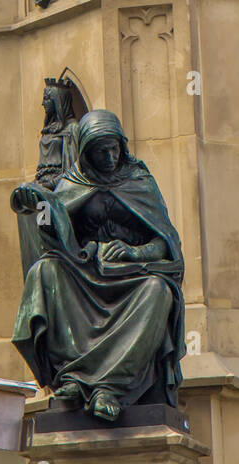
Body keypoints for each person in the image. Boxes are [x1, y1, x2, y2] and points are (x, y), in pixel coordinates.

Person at [10, 110, 185, 422]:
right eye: (100, 150)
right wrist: (37, 205)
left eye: (114, 148)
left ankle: (109, 387)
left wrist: (136, 252)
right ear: (85, 152)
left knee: (159, 291)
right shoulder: (71, 183)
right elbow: (54, 238)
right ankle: (74, 379)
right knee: (44, 272)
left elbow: (166, 242)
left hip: (132, 276)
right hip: (86, 270)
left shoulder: (140, 181)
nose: (109, 156)